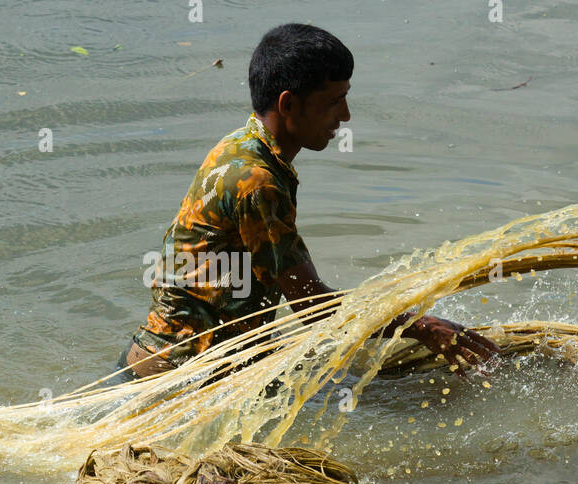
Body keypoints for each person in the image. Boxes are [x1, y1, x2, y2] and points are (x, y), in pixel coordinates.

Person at [111, 23, 499, 383]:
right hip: (177, 380)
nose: (344, 116)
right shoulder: (256, 182)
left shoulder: (243, 146)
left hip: (181, 365)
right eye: (334, 101)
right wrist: (420, 326)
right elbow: (311, 303)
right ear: (288, 104)